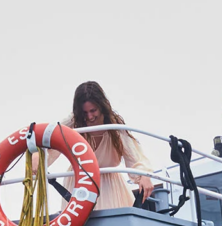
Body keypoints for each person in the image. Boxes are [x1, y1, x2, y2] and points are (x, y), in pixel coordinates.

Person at [42, 81, 155, 210]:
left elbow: (134, 155)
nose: (89, 117)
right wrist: (39, 155)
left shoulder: (115, 126)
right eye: (85, 113)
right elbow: (52, 136)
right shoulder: (74, 122)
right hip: (79, 183)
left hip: (109, 185)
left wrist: (143, 175)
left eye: (93, 110)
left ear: (102, 106)